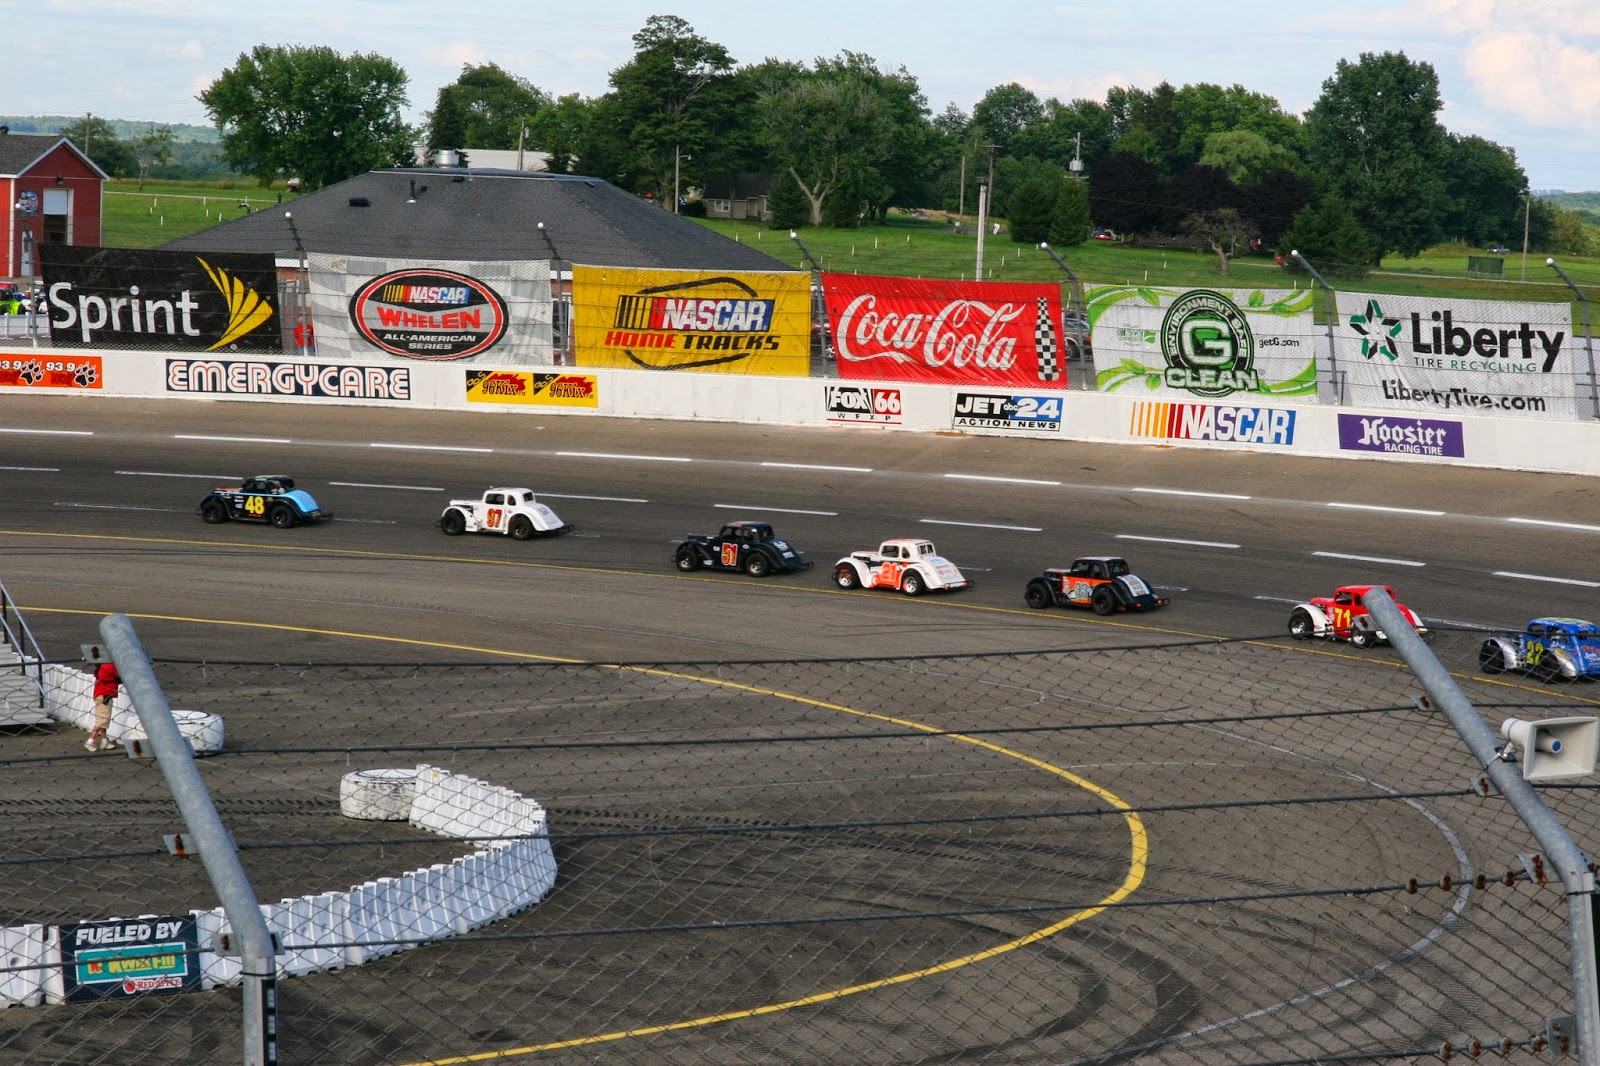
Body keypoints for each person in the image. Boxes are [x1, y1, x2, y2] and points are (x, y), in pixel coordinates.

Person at [87, 660, 121, 751]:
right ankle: (90, 741)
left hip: (101, 694)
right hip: (105, 695)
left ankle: (104, 740)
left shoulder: (103, 665)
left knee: (103, 719)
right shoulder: (110, 665)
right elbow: (120, 676)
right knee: (103, 719)